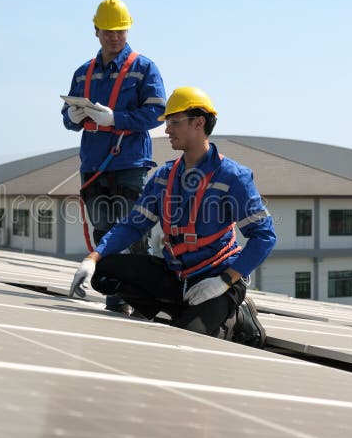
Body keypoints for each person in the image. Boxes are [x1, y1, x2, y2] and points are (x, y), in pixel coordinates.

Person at [69, 87, 277, 347]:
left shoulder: (233, 177)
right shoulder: (164, 177)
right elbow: (133, 225)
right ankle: (185, 312)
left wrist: (225, 279)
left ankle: (233, 314)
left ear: (199, 123)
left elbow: (264, 237)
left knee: (183, 338)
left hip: (216, 279)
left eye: (174, 122)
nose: (167, 130)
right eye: (167, 123)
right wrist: (93, 257)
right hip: (175, 275)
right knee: (104, 273)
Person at [62, 0, 166, 316]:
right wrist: (74, 117)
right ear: (96, 31)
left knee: (134, 233)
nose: (114, 37)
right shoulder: (84, 73)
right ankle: (116, 299)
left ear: (127, 30)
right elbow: (67, 119)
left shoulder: (143, 68)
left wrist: (116, 119)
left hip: (130, 164)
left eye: (120, 31)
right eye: (108, 31)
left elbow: (157, 114)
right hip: (94, 165)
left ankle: (143, 298)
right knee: (102, 232)